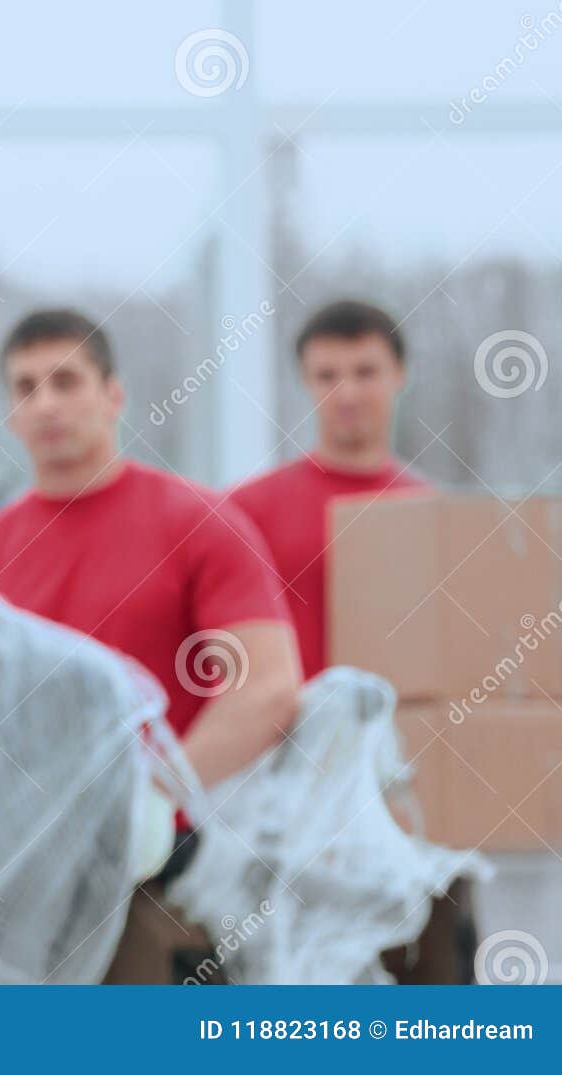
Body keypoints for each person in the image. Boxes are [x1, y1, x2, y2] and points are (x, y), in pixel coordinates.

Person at [0, 308, 302, 984]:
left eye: (66, 380)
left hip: (155, 872)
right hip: (10, 892)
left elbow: (269, 686)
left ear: (113, 395)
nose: (46, 402)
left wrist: (152, 793)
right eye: (25, 386)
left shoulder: (199, 523)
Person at [225, 299, 471, 984]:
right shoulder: (245, 511)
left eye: (366, 371)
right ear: (305, 382)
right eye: (328, 373)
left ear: (400, 376)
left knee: (426, 974)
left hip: (408, 793)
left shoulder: (438, 518)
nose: (348, 391)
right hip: (280, 798)